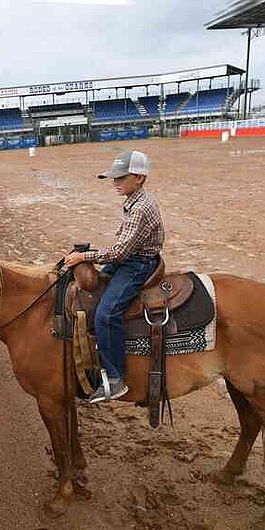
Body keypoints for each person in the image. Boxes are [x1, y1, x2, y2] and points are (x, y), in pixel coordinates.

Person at [63, 151, 164, 403]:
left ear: (139, 177)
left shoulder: (141, 208)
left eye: (121, 177)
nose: (115, 182)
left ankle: (116, 378)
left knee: (106, 314)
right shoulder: (134, 201)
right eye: (113, 178)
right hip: (130, 259)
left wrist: (83, 258)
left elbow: (119, 251)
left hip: (138, 264)